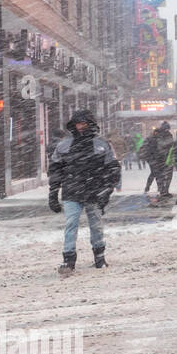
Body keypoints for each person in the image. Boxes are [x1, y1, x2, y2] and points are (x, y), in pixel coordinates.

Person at [48, 109, 120, 275]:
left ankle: (99, 257)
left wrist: (106, 191)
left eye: (84, 123)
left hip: (94, 192)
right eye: (78, 123)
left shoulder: (102, 145)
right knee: (71, 224)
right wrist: (53, 192)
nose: (80, 127)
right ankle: (68, 259)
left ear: (90, 124)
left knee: (96, 226)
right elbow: (55, 170)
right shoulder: (63, 145)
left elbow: (113, 168)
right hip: (71, 192)